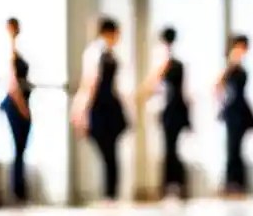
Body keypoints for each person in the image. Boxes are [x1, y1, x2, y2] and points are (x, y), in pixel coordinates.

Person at [72, 16, 128, 202]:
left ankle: (110, 194)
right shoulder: (95, 52)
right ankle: (109, 194)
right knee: (108, 150)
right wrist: (80, 109)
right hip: (101, 106)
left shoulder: (109, 54)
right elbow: (89, 83)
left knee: (110, 151)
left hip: (109, 106)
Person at [140, 26, 190, 199]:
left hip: (172, 111)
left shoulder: (170, 64)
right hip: (171, 110)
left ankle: (173, 185)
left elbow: (152, 85)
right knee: (171, 148)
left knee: (171, 149)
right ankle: (173, 184)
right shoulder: (171, 64)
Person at [217, 34, 253, 196]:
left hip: (241, 110)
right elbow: (218, 84)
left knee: (236, 149)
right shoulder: (231, 67)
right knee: (232, 148)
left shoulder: (240, 68)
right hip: (232, 110)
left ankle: (237, 184)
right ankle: (231, 183)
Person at [0, 18, 32, 203]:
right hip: (17, 104)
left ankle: (20, 188)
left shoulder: (16, 52)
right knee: (18, 147)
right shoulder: (10, 54)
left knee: (21, 148)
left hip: (23, 102)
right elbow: (12, 84)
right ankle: (18, 190)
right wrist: (22, 107)